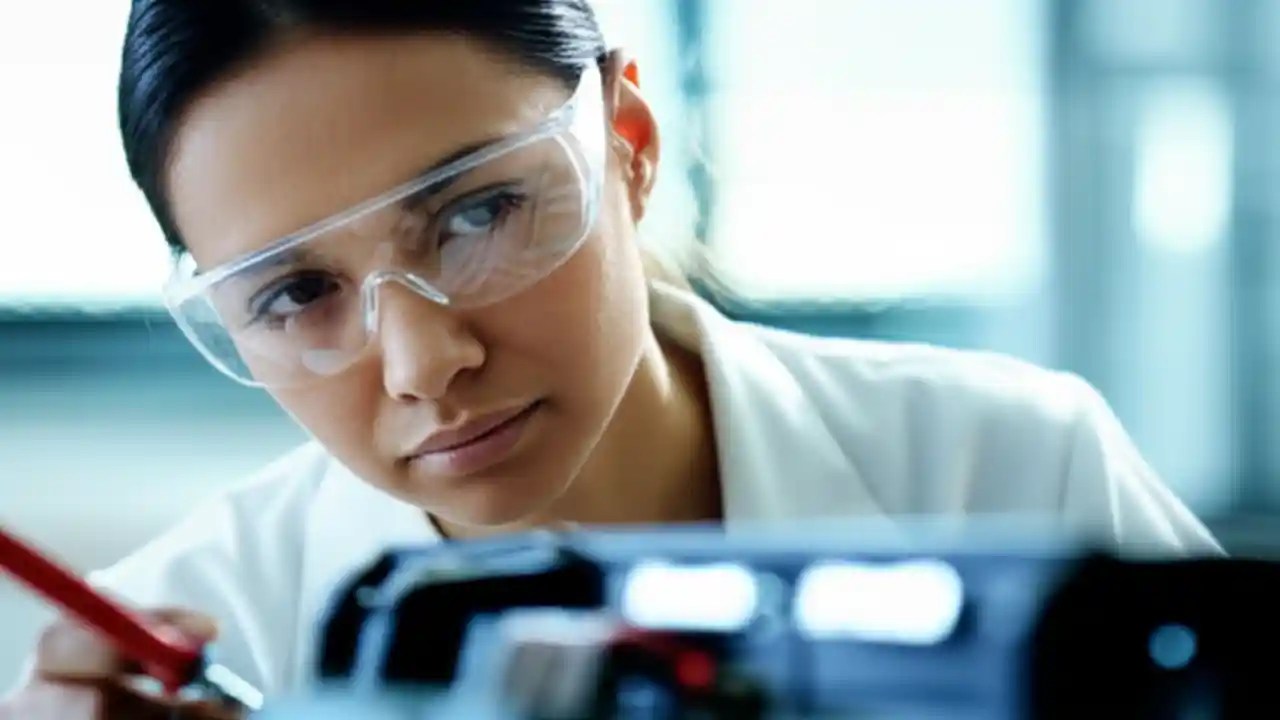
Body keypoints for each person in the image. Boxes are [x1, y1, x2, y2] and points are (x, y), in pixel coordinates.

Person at [1, 0, 1221, 717]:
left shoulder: (1006, 471)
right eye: (297, 292)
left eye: (476, 214)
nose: (425, 362)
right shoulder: (214, 645)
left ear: (627, 143)